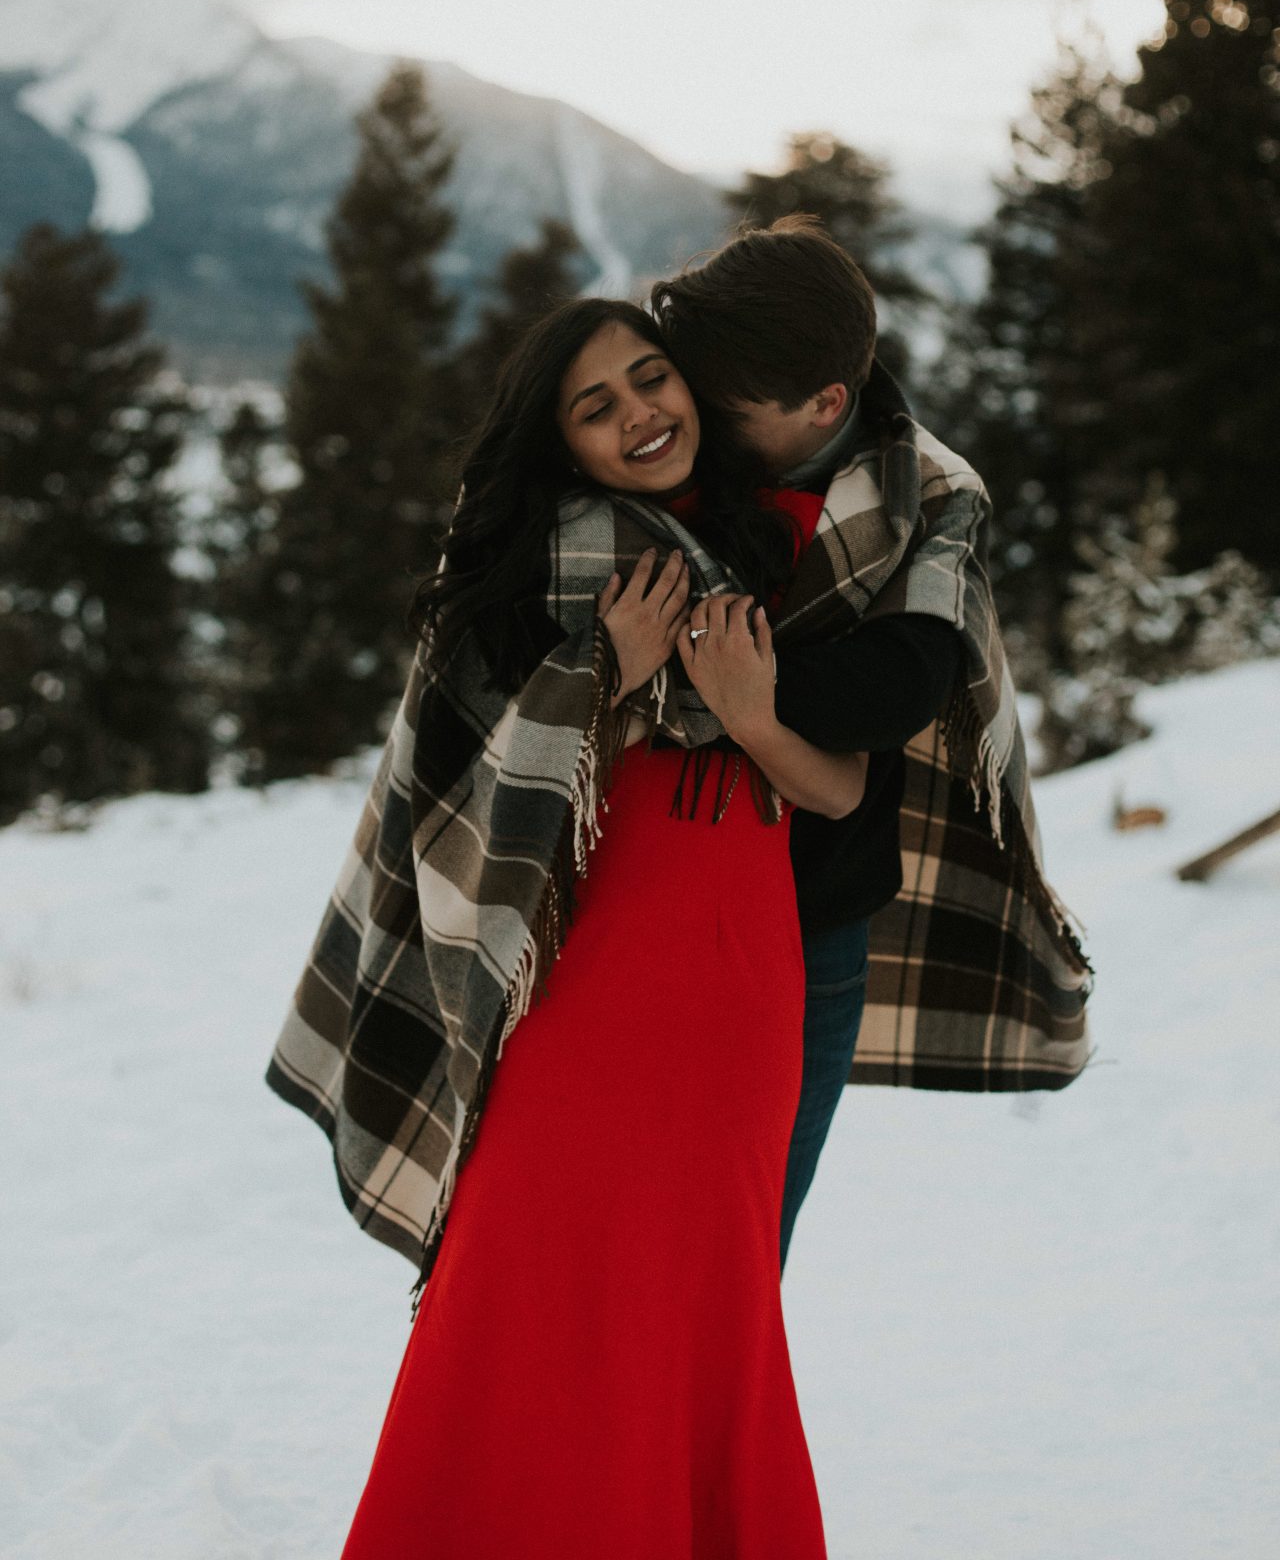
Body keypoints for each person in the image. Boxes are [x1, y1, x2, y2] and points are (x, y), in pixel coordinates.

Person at [269, 298, 865, 1559]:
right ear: (562, 446)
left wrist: (746, 708)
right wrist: (600, 669)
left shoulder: (771, 550)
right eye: (596, 407)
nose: (640, 414)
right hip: (587, 993)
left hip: (739, 989)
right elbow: (455, 793)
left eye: (650, 379)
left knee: (709, 1309)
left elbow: (841, 782)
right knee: (525, 1290)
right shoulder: (536, 566)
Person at [652, 213, 1095, 1266]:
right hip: (653, 903)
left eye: (731, 410)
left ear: (824, 406)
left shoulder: (921, 497)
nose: (701, 422)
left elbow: (894, 688)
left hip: (810, 926)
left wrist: (709, 677)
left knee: (742, 1243)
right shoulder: (686, 443)